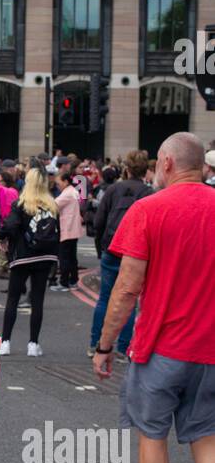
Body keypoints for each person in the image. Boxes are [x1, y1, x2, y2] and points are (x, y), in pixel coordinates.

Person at [93, 133, 215, 463]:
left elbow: (126, 288)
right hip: (211, 351)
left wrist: (104, 346)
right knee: (207, 442)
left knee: (153, 436)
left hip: (161, 349)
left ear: (165, 162)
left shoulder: (148, 210)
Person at [89, 151, 151, 358]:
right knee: (130, 298)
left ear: (126, 168)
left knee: (105, 298)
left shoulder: (114, 189)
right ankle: (124, 348)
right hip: (136, 252)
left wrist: (102, 246)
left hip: (112, 249)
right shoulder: (148, 192)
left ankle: (95, 343)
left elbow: (98, 222)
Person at [0, 165, 60, 356]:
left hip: (23, 257)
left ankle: (6, 342)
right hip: (45, 257)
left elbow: (10, 226)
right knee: (38, 300)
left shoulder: (21, 204)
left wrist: (2, 238)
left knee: (13, 299)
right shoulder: (52, 206)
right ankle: (33, 344)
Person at [55, 168, 84, 291]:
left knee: (64, 257)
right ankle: (73, 280)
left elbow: (53, 205)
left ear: (66, 181)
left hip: (67, 229)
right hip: (74, 229)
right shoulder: (74, 191)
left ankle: (64, 282)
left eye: (58, 183)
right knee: (72, 257)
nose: (57, 186)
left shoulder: (67, 193)